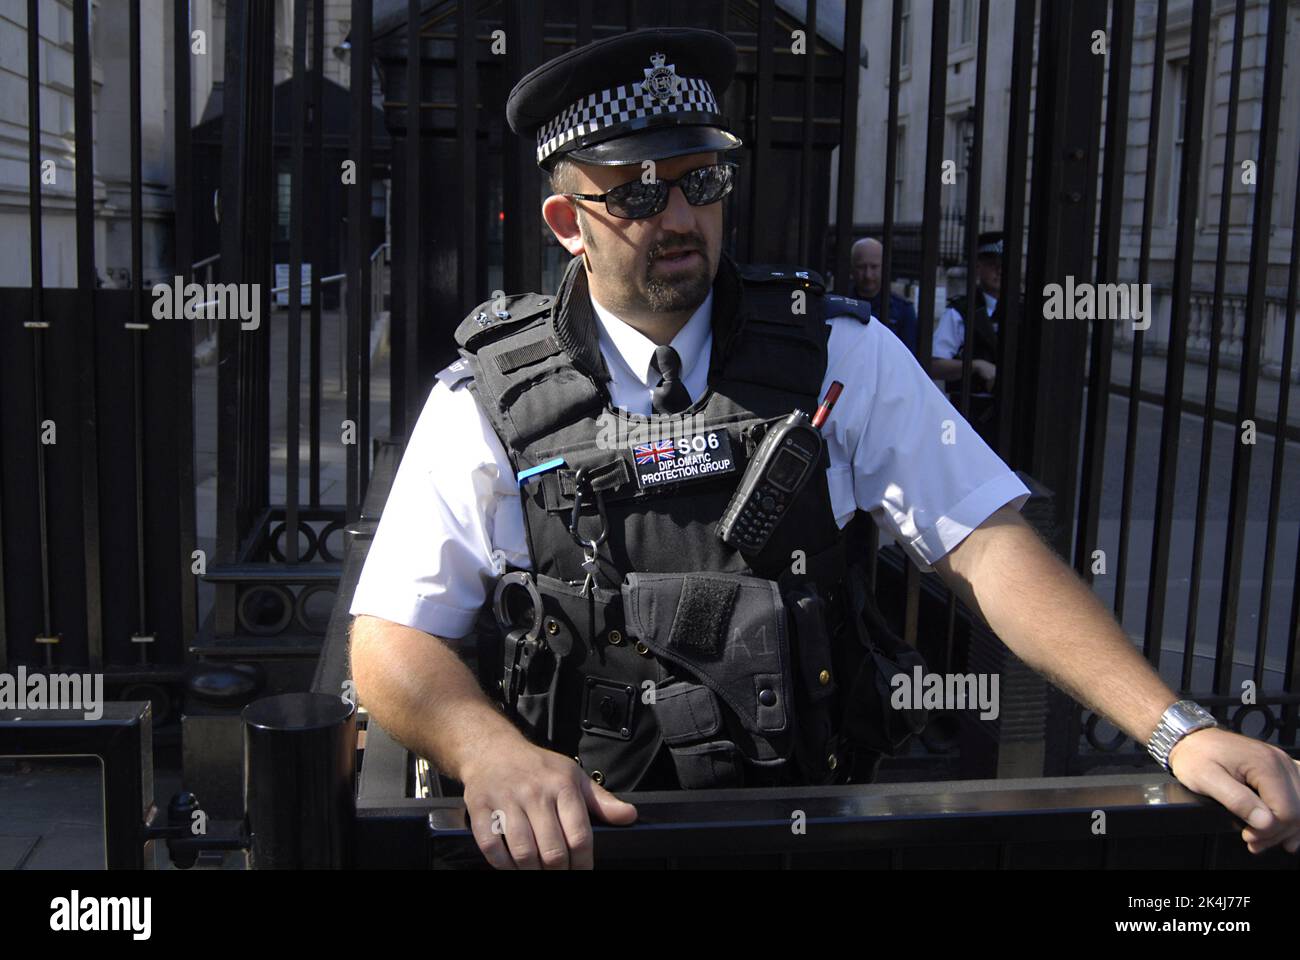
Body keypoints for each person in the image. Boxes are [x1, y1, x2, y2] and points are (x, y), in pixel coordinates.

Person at [347, 28, 1300, 870]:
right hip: (587, 839)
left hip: (804, 827)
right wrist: (484, 749)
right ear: (568, 224)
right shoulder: (489, 400)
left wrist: (1177, 731)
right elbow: (390, 634)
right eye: (634, 195)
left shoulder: (844, 355)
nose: (678, 218)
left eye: (700, 182)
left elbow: (987, 544)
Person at [932, 231, 1004, 440]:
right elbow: (934, 365)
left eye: (1004, 263)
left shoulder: (1023, 310)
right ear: (979, 266)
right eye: (992, 263)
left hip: (1013, 412)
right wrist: (975, 365)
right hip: (969, 411)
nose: (999, 270)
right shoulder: (960, 311)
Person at [848, 237, 919, 355]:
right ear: (852, 268)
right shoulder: (837, 304)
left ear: (885, 267)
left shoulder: (903, 310)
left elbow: (908, 358)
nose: (868, 275)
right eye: (861, 267)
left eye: (874, 267)